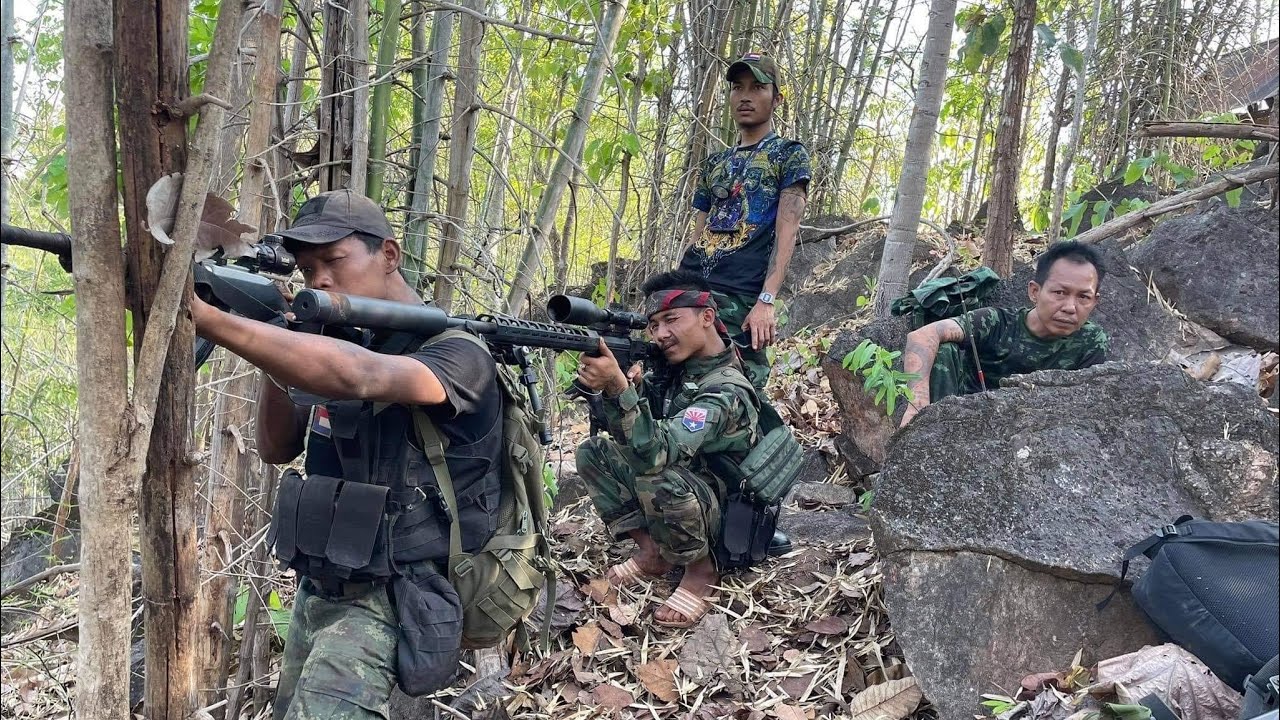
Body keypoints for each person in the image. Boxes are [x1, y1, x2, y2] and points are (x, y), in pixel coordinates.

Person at [191, 189, 502, 719]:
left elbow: (362, 376)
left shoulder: (459, 350)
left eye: (334, 260)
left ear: (389, 255)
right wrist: (280, 343)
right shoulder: (339, 344)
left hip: (394, 593)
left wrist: (209, 319)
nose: (320, 280)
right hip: (322, 585)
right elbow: (275, 447)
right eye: (308, 269)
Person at [574, 270, 761, 628]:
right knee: (594, 452)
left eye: (671, 319)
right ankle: (654, 552)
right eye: (653, 325)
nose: (661, 334)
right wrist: (631, 390)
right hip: (688, 488)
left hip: (726, 508)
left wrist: (617, 388)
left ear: (707, 317)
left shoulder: (726, 389)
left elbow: (655, 453)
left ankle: (702, 571)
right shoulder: (679, 370)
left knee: (657, 474)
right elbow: (641, 431)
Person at [679, 52, 811, 391]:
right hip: (696, 292)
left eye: (757, 87)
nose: (745, 96)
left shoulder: (788, 154)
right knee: (677, 386)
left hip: (741, 297)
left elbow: (787, 229)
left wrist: (766, 300)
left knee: (737, 393)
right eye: (738, 88)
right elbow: (698, 231)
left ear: (776, 98)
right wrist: (677, 290)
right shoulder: (714, 163)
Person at [899, 241, 1110, 427]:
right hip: (965, 419)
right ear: (1035, 292)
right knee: (943, 351)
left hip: (1043, 430)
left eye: (1083, 297)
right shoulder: (996, 322)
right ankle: (931, 430)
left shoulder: (1091, 341)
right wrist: (917, 404)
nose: (1070, 307)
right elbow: (922, 336)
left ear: (1095, 301)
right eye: (1060, 293)